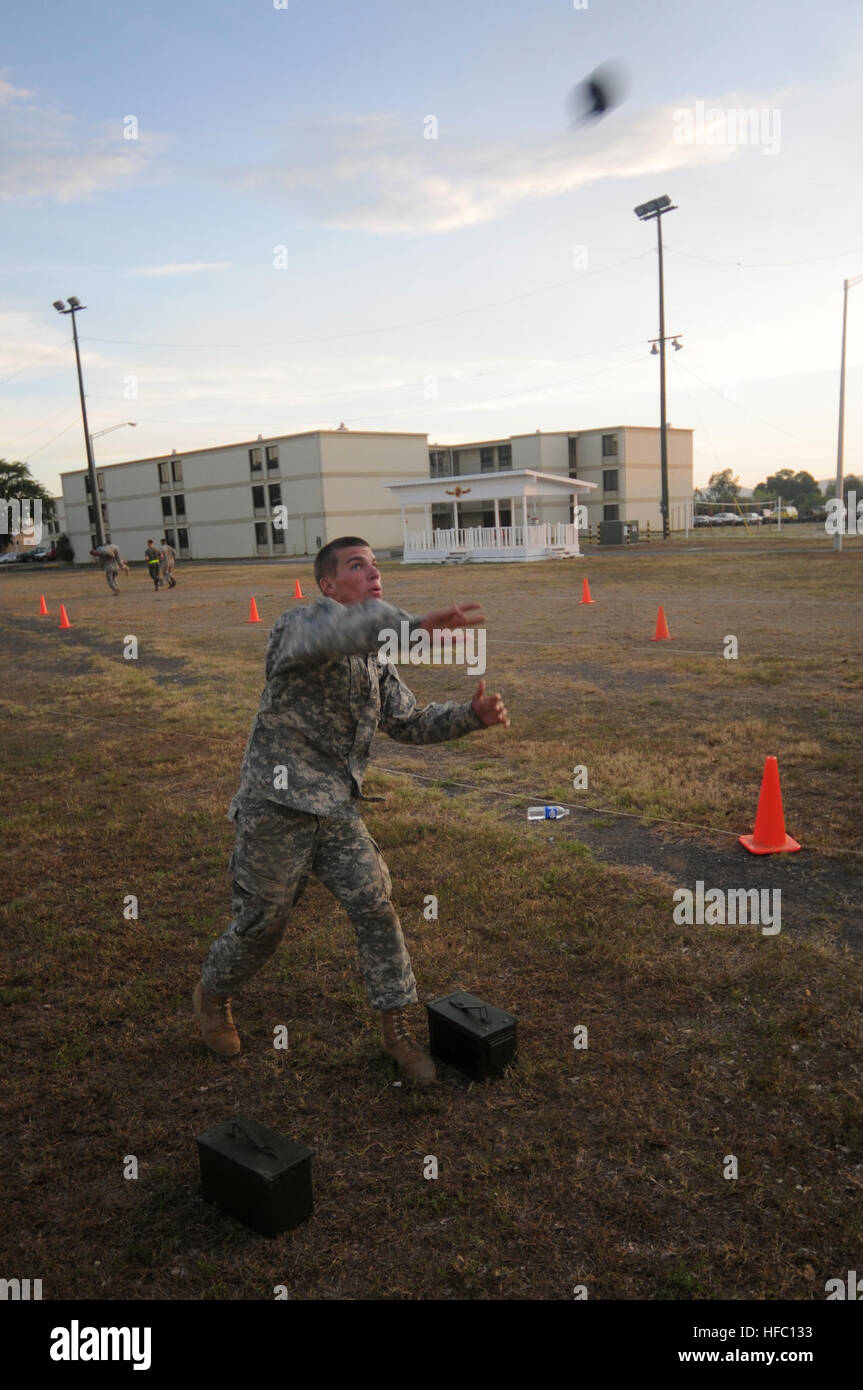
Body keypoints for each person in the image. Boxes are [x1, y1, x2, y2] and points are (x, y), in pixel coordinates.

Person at [194, 537, 510, 1086]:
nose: (373, 574)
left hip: (337, 811)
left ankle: (396, 1032)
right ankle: (212, 994)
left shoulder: (374, 654)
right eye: (357, 566)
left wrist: (471, 716)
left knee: (375, 907)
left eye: (376, 566)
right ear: (328, 585)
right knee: (262, 924)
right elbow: (343, 630)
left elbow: (407, 721)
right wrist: (409, 627)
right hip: (276, 807)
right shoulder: (298, 630)